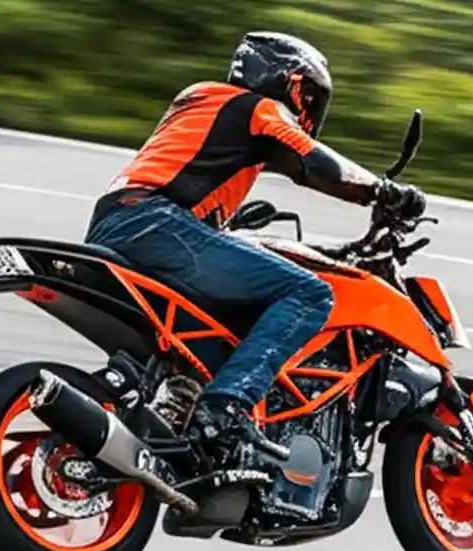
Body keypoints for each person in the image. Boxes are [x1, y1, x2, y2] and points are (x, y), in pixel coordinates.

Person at [85, 31, 427, 451]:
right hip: (154, 224)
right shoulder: (257, 108)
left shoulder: (203, 105)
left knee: (221, 330)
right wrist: (383, 191)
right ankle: (227, 408)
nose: (311, 107)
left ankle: (176, 419)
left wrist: (328, 250)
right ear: (292, 82)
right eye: (311, 94)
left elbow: (203, 193)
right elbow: (314, 163)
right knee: (310, 294)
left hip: (123, 223)